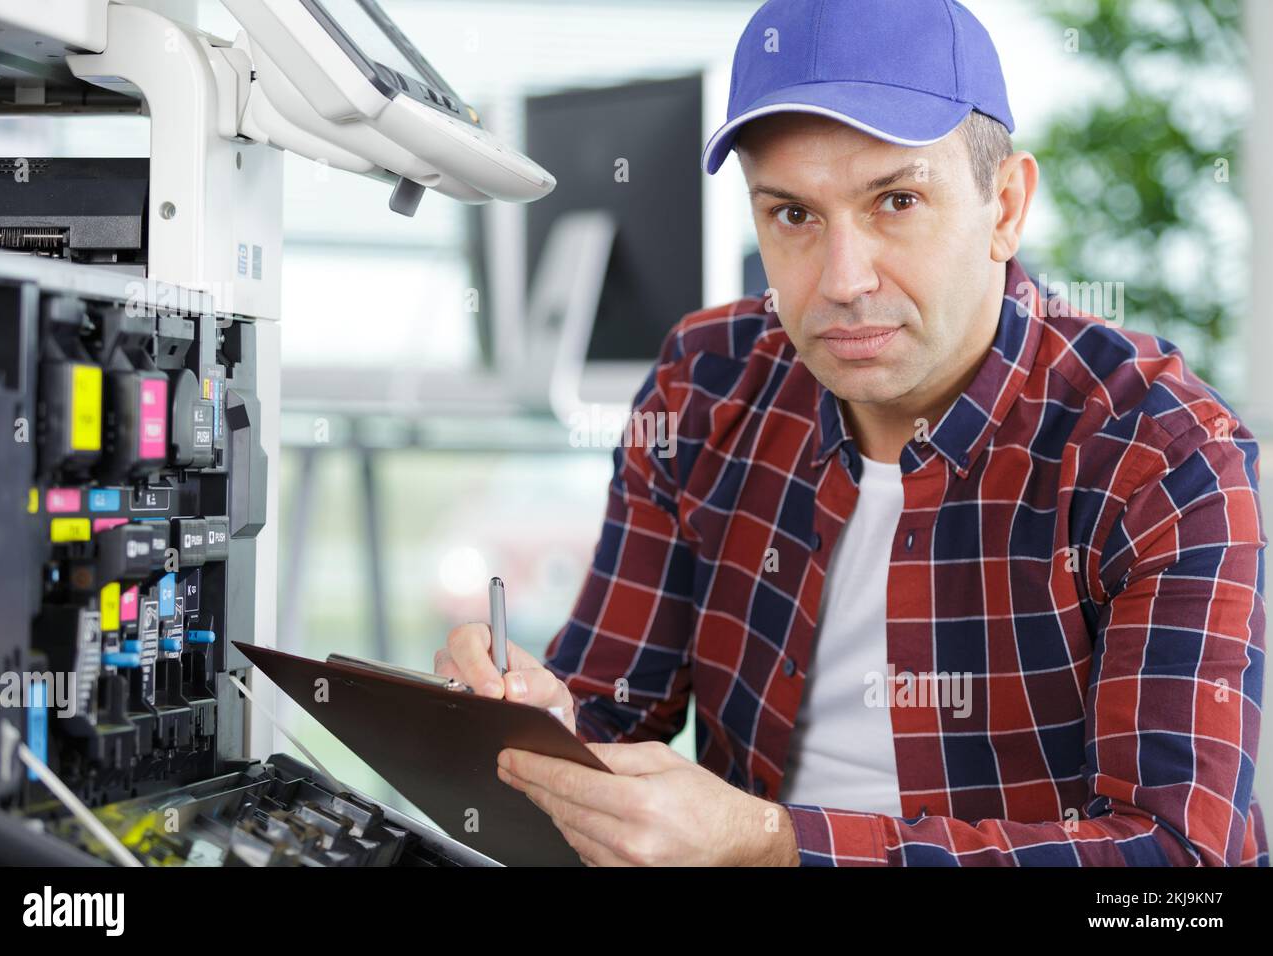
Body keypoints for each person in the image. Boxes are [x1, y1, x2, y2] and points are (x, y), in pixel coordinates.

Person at [434, 0, 1267, 866]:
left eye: (896, 200)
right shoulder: (704, 383)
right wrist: (544, 721)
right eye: (793, 215)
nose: (842, 280)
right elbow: (607, 706)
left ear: (1006, 206)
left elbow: (1176, 866)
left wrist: (769, 844)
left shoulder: (1164, 455)